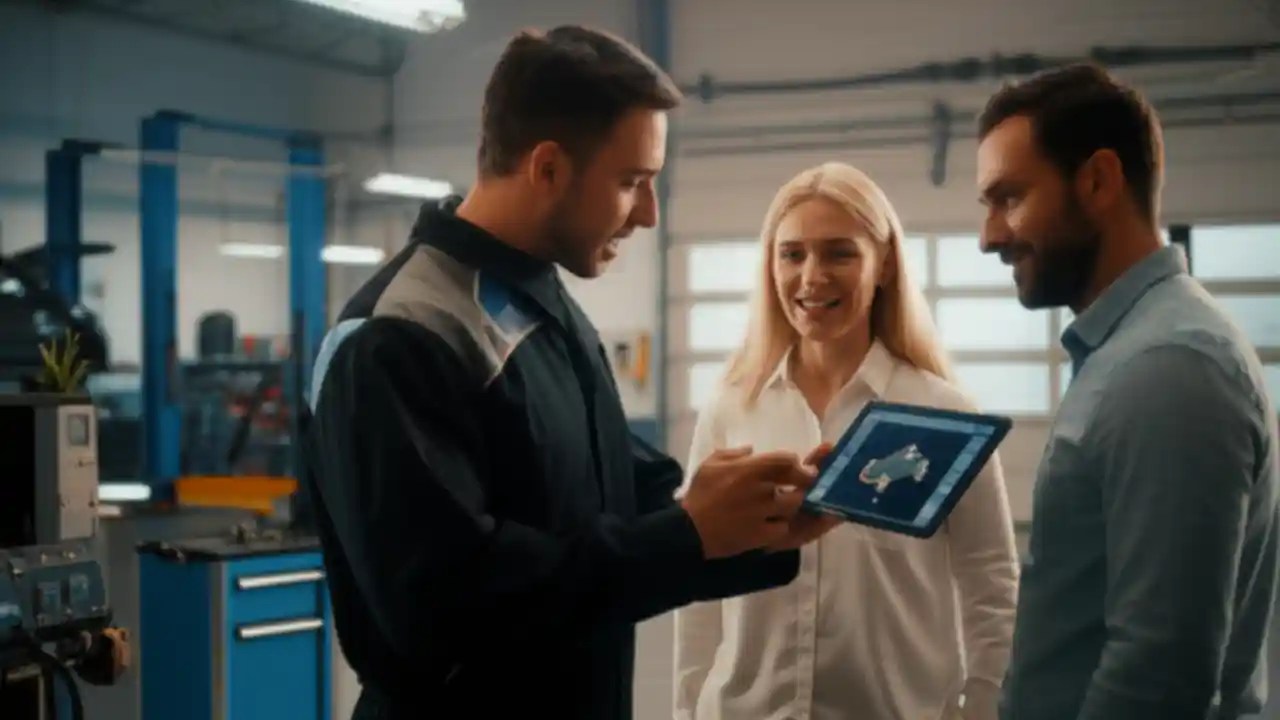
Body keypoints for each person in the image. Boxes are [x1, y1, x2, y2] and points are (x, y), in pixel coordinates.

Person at [299, 25, 840, 720]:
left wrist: (757, 521)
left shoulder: (537, 301)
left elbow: (607, 492)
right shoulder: (396, 336)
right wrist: (687, 534)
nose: (647, 213)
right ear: (547, 167)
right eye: (631, 183)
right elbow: (444, 606)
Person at [976, 63, 1280, 720]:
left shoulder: (1167, 366)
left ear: (1099, 181)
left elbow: (1158, 675)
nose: (989, 236)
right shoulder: (1127, 351)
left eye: (1011, 198)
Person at [673, 162, 1020, 720]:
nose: (811, 278)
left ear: (883, 264)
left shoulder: (943, 413)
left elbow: (991, 585)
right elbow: (697, 594)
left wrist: (981, 709)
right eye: (792, 254)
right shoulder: (732, 409)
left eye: (839, 253)